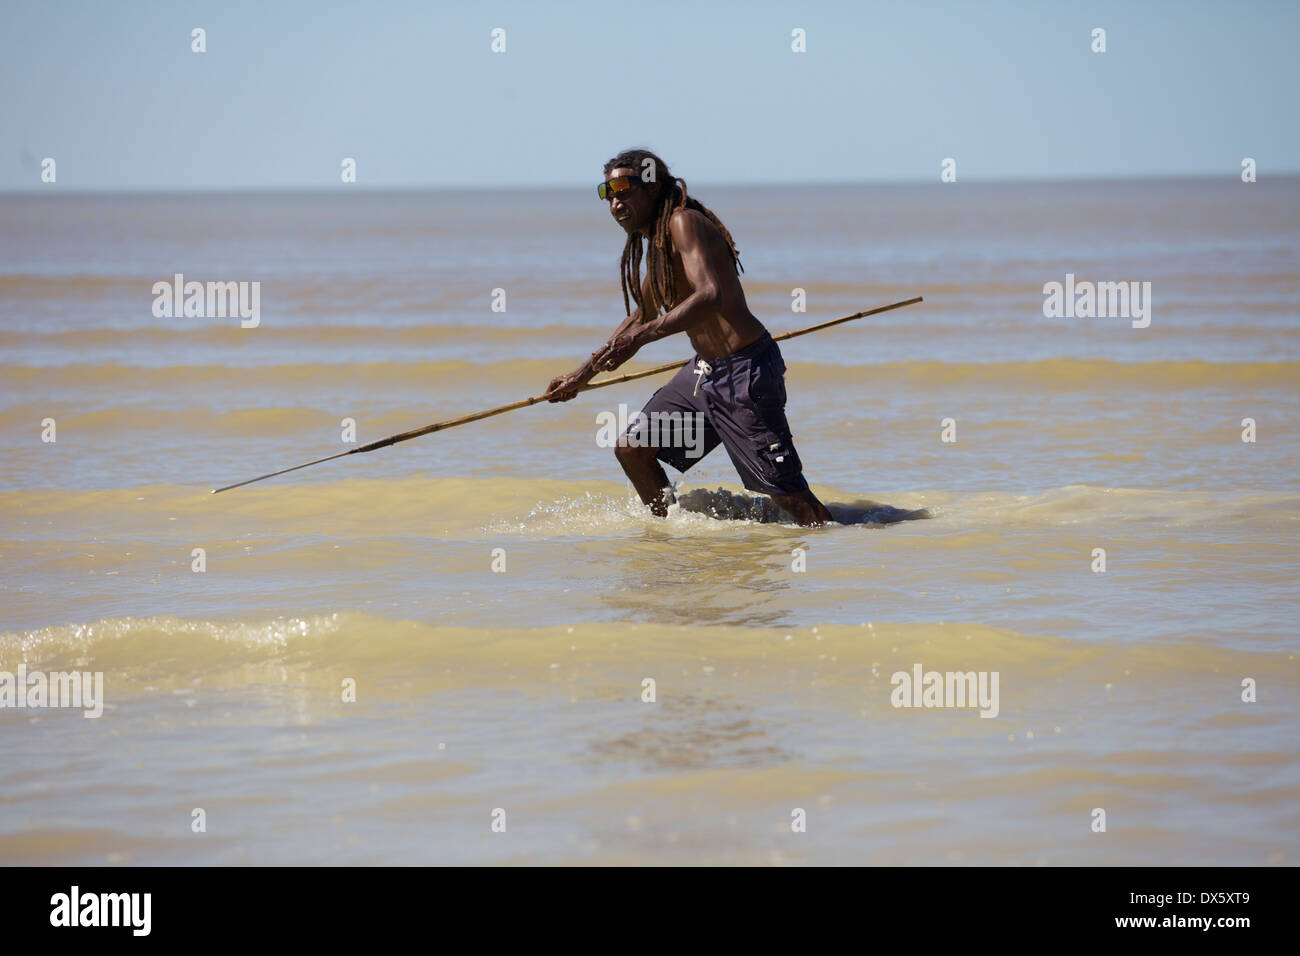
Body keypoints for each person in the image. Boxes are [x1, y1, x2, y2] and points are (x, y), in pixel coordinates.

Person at [544, 148, 833, 527]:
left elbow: (710, 295)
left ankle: (842, 548)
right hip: (704, 374)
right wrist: (581, 377)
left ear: (653, 188)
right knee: (632, 448)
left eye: (623, 190)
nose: (615, 203)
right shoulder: (658, 243)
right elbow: (641, 315)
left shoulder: (683, 222)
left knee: (793, 501)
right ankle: (669, 538)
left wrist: (645, 336)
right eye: (607, 193)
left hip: (745, 373)